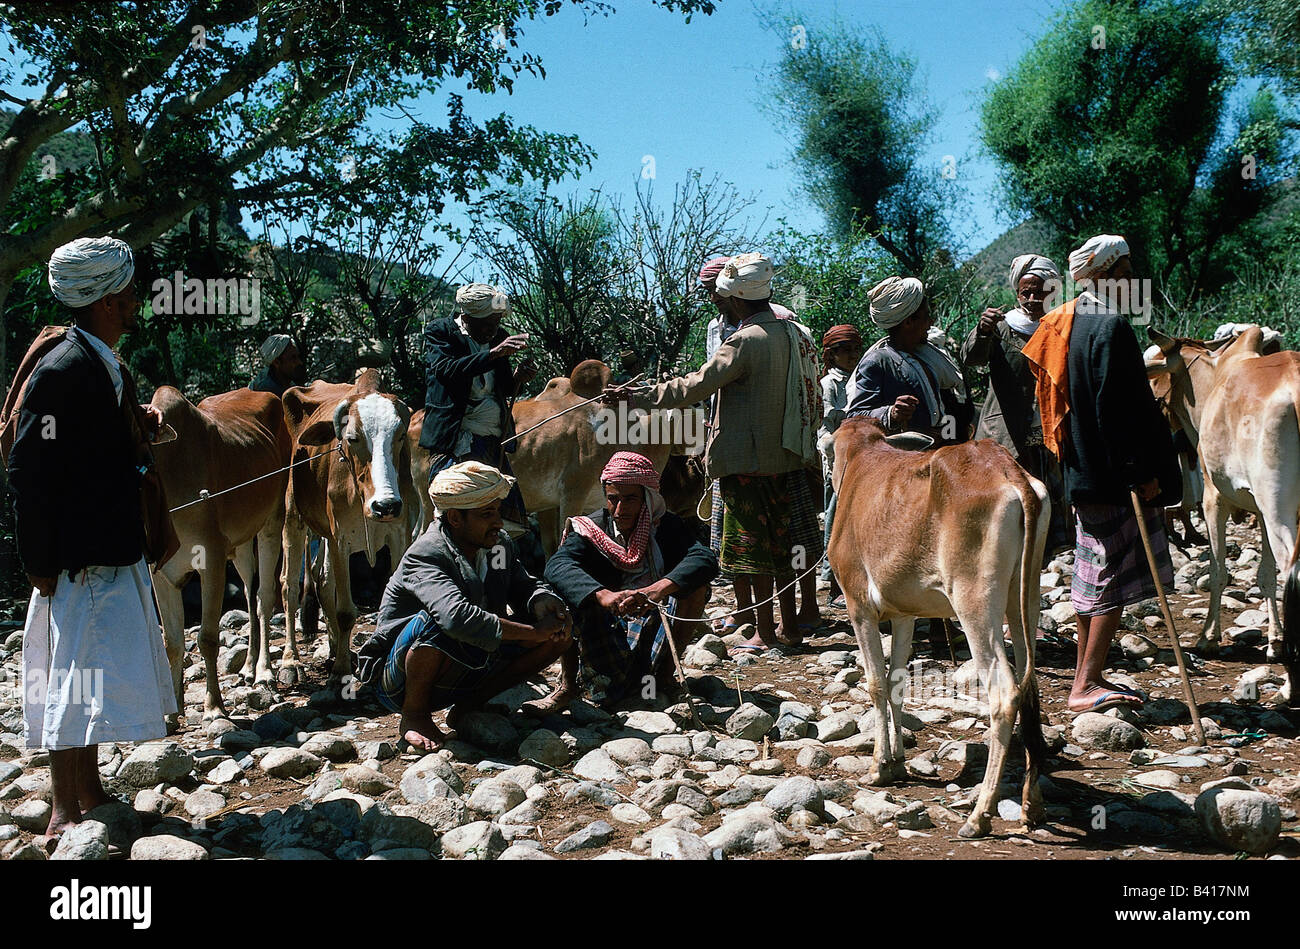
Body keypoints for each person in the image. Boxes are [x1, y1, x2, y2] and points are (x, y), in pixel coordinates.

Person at [9, 236, 177, 837]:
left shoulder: (100, 361)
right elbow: (31, 468)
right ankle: (61, 812)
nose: (137, 301)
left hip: (106, 543)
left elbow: (88, 445)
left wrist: (137, 423)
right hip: (79, 555)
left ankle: (90, 791)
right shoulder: (64, 370)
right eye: (129, 291)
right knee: (73, 677)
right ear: (106, 300)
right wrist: (39, 559)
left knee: (92, 671)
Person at [613, 253, 821, 655]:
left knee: (755, 551)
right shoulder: (794, 332)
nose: (719, 303)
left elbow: (695, 386)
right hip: (790, 457)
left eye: (723, 297)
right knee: (787, 546)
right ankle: (792, 625)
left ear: (738, 297)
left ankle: (765, 631)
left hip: (748, 462)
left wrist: (637, 395)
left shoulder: (744, 341)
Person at [1022, 234, 1182, 714]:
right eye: (1127, 265)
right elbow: (1117, 412)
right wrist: (1141, 473)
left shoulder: (1063, 321)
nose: (1133, 274)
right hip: (1114, 477)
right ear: (1108, 273)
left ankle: (1084, 676)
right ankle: (1085, 686)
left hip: (1081, 471)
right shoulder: (1109, 324)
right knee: (1108, 578)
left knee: (1091, 578)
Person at [357, 462, 572, 751]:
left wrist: (541, 600)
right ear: (456, 518)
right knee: (435, 621)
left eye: (497, 511)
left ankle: (469, 706)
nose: (497, 521)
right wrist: (531, 633)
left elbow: (522, 584)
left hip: (468, 663)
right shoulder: (427, 553)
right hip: (398, 680)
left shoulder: (498, 545)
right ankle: (414, 715)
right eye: (487, 514)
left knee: (560, 633)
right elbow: (455, 617)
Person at [540, 451, 718, 710]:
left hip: (652, 620)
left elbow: (704, 558)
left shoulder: (666, 526)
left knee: (696, 589)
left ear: (648, 498)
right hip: (604, 624)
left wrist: (658, 589)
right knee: (561, 593)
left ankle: (664, 680)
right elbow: (557, 566)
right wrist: (604, 596)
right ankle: (568, 685)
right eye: (613, 499)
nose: (620, 510)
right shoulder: (590, 529)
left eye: (630, 499)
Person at [960, 254, 1073, 559]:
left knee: (1051, 488)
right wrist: (982, 331)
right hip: (1008, 429)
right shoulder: (1001, 327)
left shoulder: (1059, 326)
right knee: (1014, 492)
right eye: (1027, 292)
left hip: (1050, 425)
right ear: (1016, 293)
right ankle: (1016, 554)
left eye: (1041, 292)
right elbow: (971, 357)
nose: (1033, 298)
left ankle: (1053, 551)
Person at [420, 283, 535, 531]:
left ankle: (493, 569)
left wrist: (519, 378)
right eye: (486, 325)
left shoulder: (498, 337)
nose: (492, 330)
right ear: (467, 317)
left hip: (492, 440)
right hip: (456, 440)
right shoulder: (441, 332)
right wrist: (494, 354)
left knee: (497, 520)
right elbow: (446, 370)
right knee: (459, 516)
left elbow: (503, 387)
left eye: (496, 323)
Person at [845, 276, 968, 443]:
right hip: (904, 463)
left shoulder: (926, 356)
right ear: (909, 322)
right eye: (926, 316)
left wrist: (950, 438)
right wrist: (891, 414)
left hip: (934, 455)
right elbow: (854, 418)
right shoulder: (878, 362)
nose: (931, 322)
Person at [818, 324, 864, 608]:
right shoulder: (830, 385)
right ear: (831, 354)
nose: (850, 355)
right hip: (837, 460)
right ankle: (834, 582)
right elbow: (824, 426)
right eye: (843, 350)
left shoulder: (862, 378)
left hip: (863, 459)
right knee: (835, 521)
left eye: (854, 349)